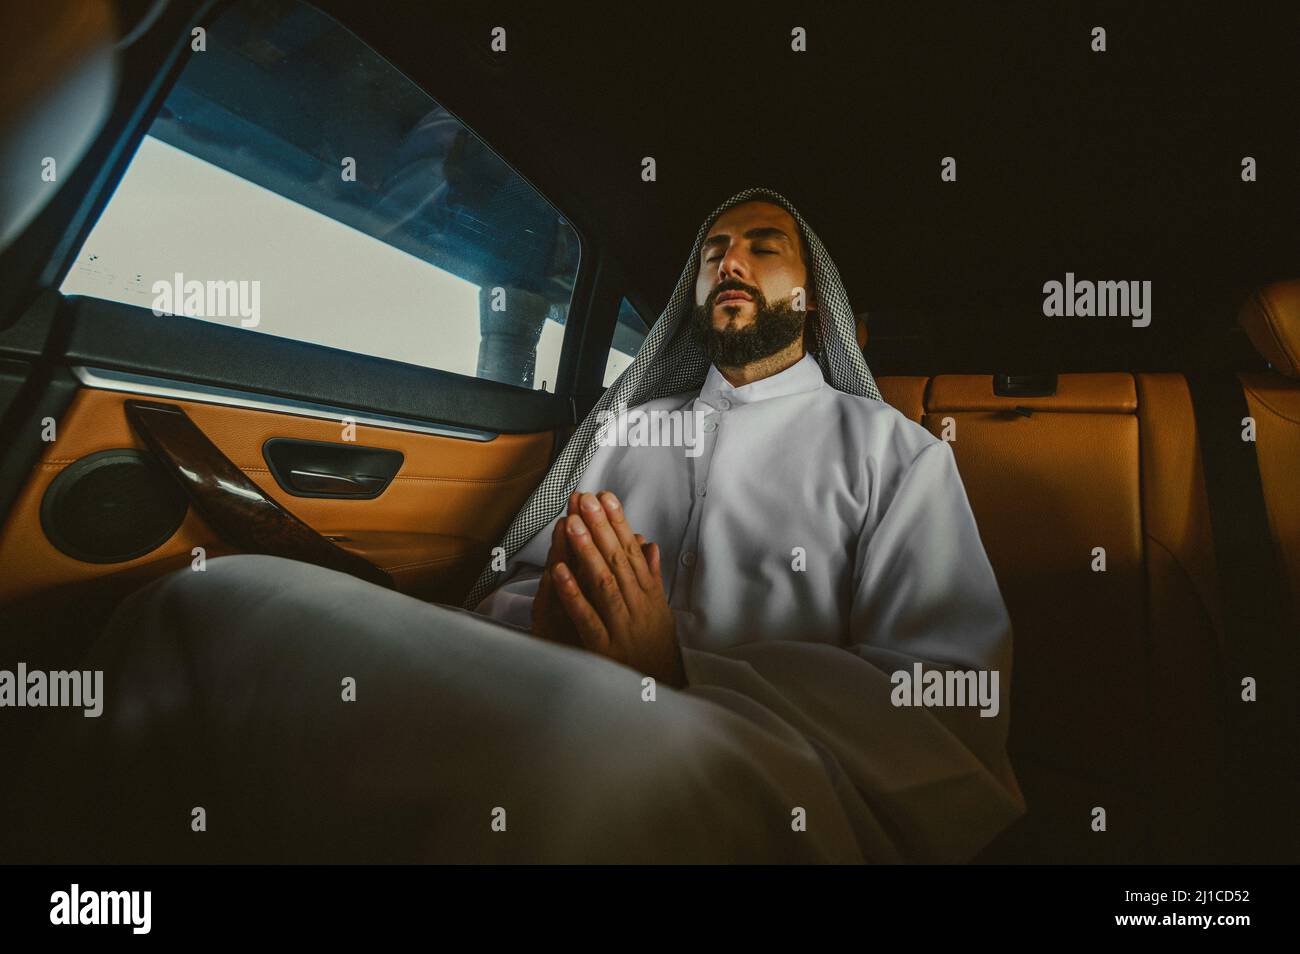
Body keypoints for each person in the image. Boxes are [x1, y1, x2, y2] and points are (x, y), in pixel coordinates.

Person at [9, 188, 1024, 864]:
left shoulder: (895, 455)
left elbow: (945, 703)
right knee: (209, 603)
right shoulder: (631, 427)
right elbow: (509, 585)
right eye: (714, 248)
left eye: (762, 247)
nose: (729, 261)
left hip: (769, 754)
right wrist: (555, 616)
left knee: (599, 763)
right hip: (556, 676)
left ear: (815, 294)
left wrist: (679, 667)